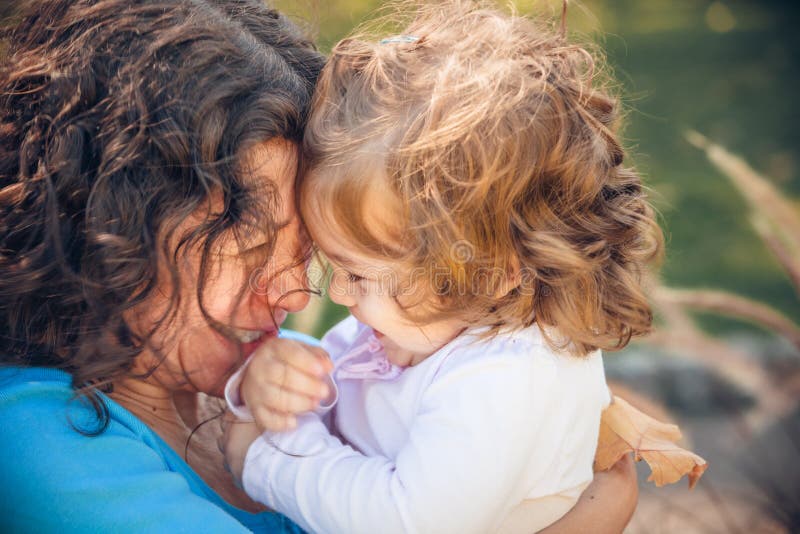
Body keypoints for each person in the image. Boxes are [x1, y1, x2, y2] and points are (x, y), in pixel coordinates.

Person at [0, 0, 637, 532]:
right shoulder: (44, 447)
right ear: (110, 230)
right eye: (250, 247)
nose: (299, 295)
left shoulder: (297, 365)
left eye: (306, 249)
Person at [222, 2, 663, 533]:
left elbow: (403, 521)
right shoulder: (425, 318)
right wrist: (286, 374)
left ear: (493, 271)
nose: (338, 293)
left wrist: (264, 459)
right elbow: (347, 385)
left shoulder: (508, 379)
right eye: (332, 264)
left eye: (357, 273)